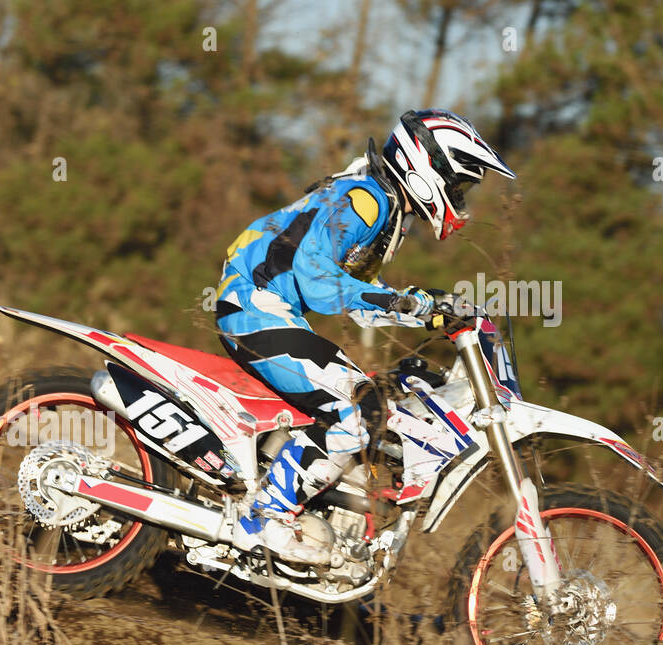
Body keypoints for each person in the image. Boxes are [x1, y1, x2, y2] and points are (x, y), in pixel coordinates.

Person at [215, 108, 516, 563]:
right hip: (254, 309)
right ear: (426, 169)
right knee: (358, 408)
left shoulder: (380, 206)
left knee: (377, 396)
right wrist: (406, 304)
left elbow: (363, 300)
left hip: (260, 309)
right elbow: (316, 280)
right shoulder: (365, 198)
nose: (460, 199)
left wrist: (427, 313)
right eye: (458, 186)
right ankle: (265, 518)